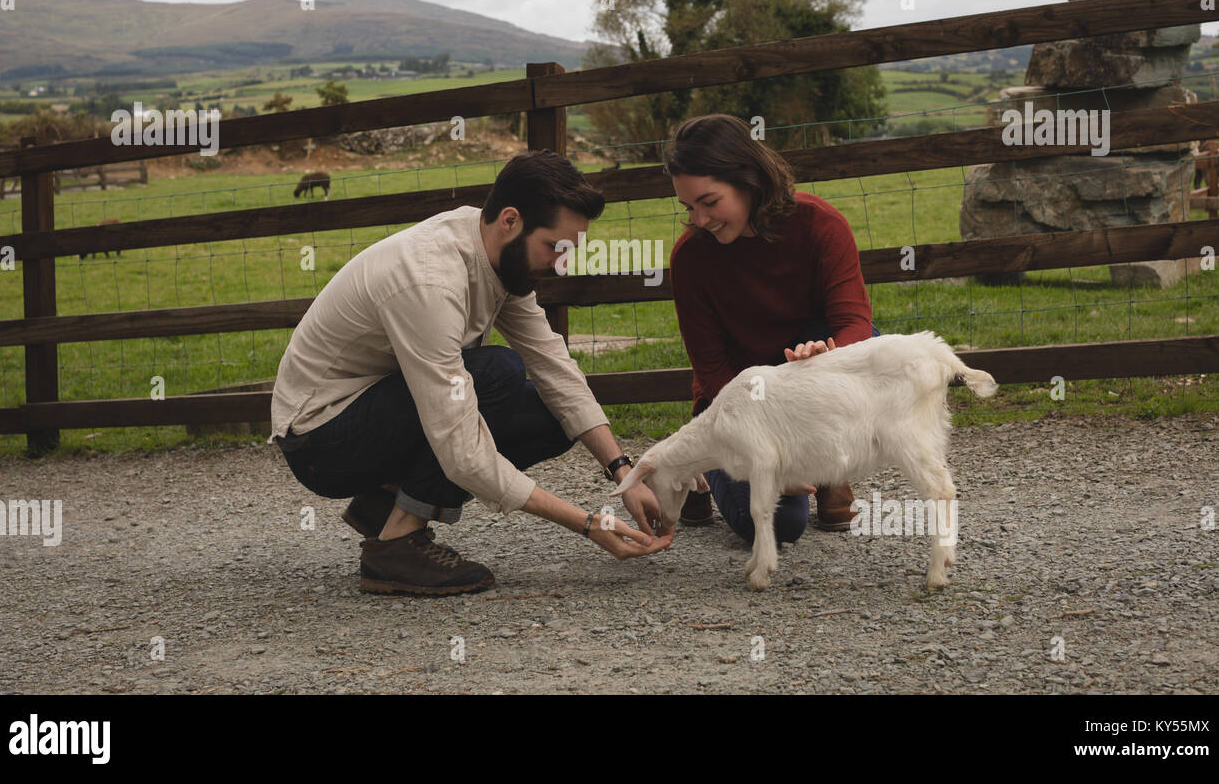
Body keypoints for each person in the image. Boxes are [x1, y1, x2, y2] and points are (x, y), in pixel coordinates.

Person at [271, 150, 668, 596]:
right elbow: (460, 448)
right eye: (555, 249)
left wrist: (623, 472)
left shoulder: (500, 255)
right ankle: (396, 548)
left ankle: (384, 506)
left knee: (550, 417)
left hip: (371, 415)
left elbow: (554, 365)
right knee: (497, 373)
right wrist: (587, 523)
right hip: (321, 440)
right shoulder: (430, 279)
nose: (562, 265)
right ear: (511, 221)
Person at [663, 114, 880, 546]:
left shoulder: (821, 224)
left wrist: (828, 357)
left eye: (709, 201)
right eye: (689, 207)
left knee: (874, 349)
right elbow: (711, 370)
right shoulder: (690, 258)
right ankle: (704, 464)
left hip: (811, 383)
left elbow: (856, 322)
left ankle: (829, 465)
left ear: (750, 179)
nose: (700, 219)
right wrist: (768, 453)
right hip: (741, 403)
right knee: (778, 526)